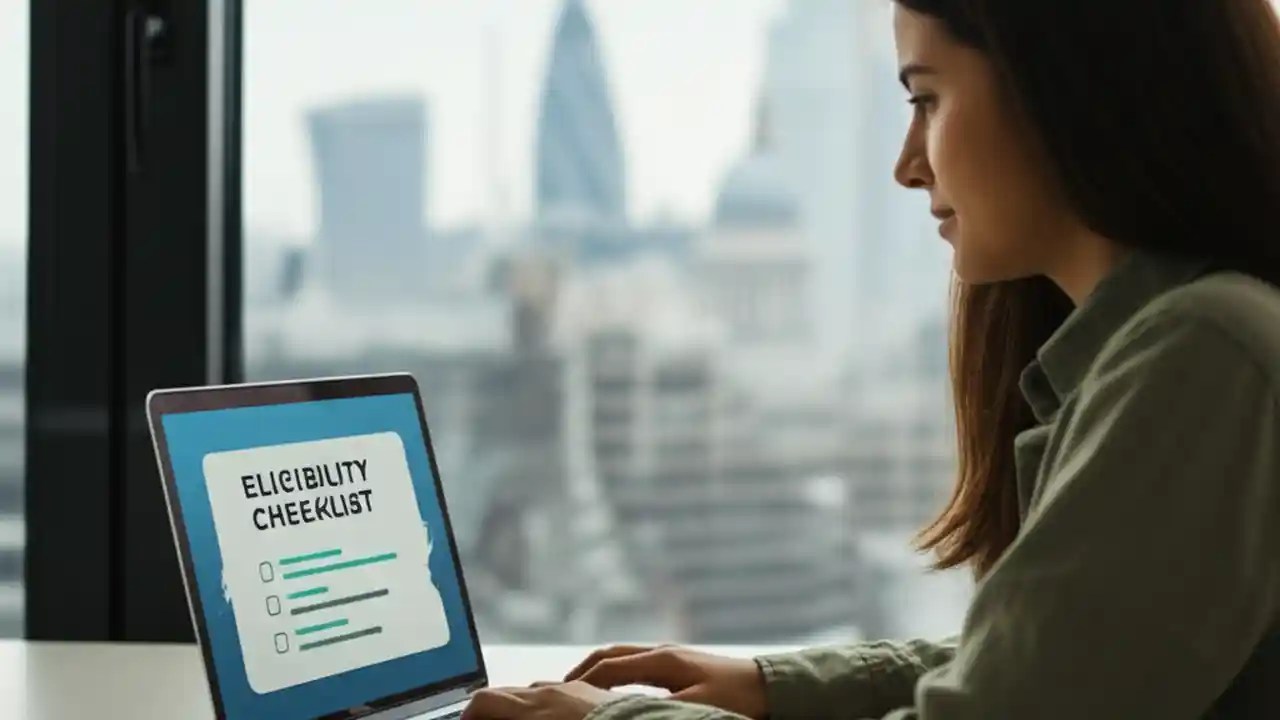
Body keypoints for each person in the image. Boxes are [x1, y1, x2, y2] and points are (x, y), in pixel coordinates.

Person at [462, 0, 1280, 717]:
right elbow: (1055, 666)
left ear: (1063, 87)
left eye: (927, 98)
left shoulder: (1205, 353)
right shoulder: (1181, 342)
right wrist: (777, 684)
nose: (906, 162)